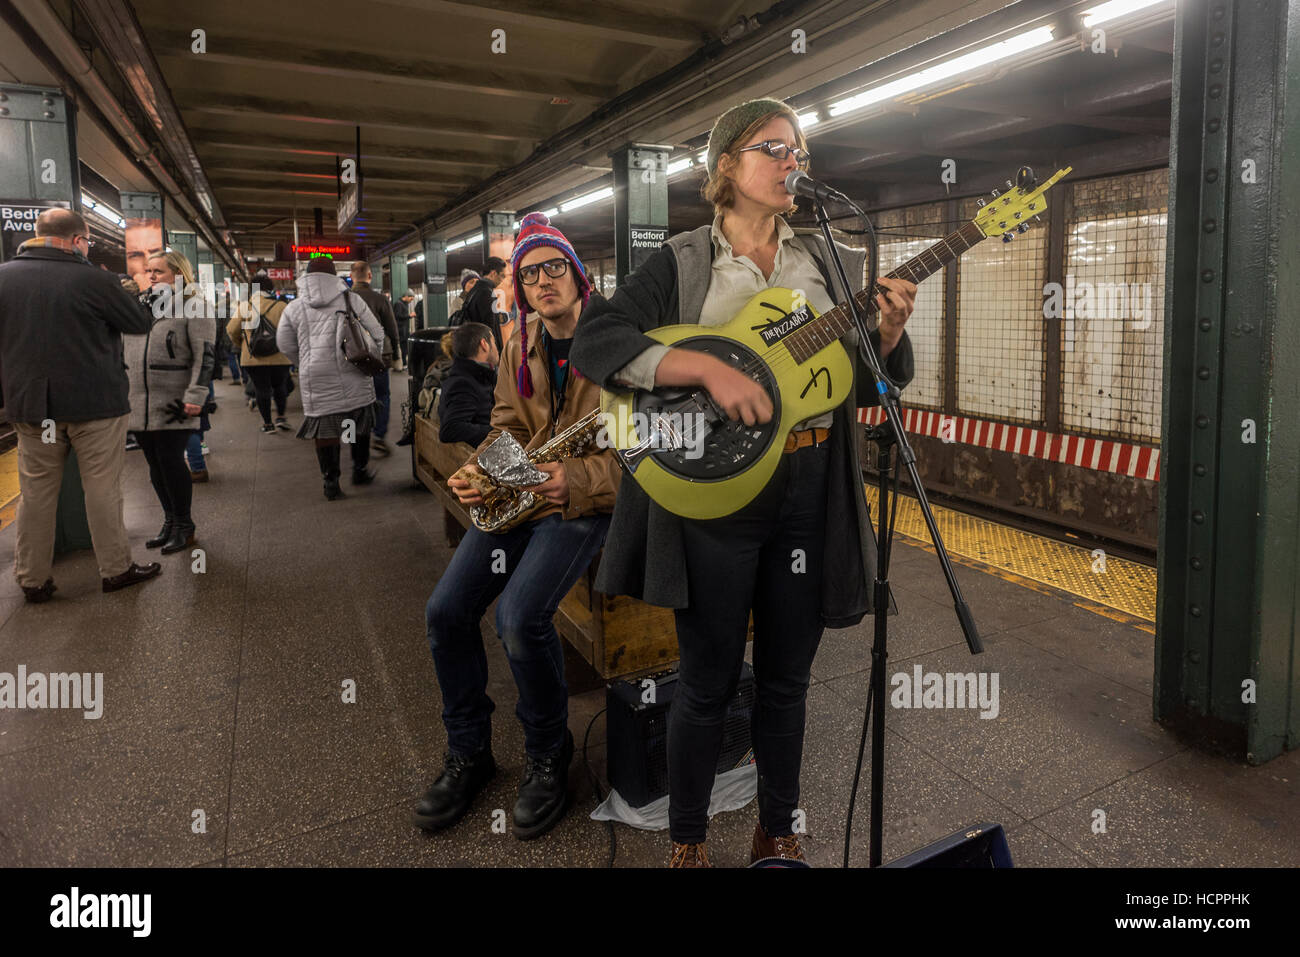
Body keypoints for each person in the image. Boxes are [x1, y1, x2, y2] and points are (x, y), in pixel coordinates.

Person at [571, 99, 918, 867]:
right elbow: (598, 341)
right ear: (726, 164)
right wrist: (702, 366)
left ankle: (777, 828)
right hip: (715, 492)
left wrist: (886, 339)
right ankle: (688, 839)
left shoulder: (828, 262)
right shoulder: (684, 261)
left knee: (788, 678)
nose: (795, 162)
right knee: (707, 679)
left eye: (801, 151)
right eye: (775, 148)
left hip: (808, 486)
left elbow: (855, 384)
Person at [417, 214, 619, 842]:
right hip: (522, 492)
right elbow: (503, 424)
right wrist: (478, 470)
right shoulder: (516, 343)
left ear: (577, 274)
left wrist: (573, 482)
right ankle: (470, 752)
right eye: (529, 274)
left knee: (519, 619)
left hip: (581, 503)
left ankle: (547, 752)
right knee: (444, 612)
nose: (542, 282)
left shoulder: (622, 343)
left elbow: (647, 449)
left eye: (553, 267)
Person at [0, 208, 161, 601]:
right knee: (102, 489)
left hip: (33, 407)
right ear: (77, 240)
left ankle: (32, 580)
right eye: (86, 242)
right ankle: (116, 570)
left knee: (35, 494)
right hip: (95, 404)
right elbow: (139, 323)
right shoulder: (96, 279)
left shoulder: (3, 277)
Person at [124, 251, 216, 554]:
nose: (151, 277)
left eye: (159, 272)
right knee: (153, 464)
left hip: (174, 400)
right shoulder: (138, 308)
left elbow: (205, 357)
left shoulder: (195, 307)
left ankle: (185, 525)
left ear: (178, 274)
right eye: (149, 271)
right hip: (138, 400)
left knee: (171, 461)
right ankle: (169, 520)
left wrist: (196, 396)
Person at [276, 256, 385, 500]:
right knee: (354, 422)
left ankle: (331, 482)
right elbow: (377, 332)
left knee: (326, 430)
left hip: (316, 377)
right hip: (354, 371)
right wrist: (370, 355)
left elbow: (284, 344)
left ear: (307, 276)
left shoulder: (294, 307)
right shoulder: (351, 299)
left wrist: (303, 360)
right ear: (334, 275)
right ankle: (358, 470)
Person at [227, 275, 293, 434]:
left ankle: (268, 424)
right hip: (280, 356)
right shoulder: (282, 306)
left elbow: (231, 330)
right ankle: (281, 417)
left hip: (253, 358)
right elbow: (292, 330)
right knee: (280, 387)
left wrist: (243, 345)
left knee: (261, 389)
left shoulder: (245, 306)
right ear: (270, 288)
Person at [349, 262, 401, 457]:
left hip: (352, 358)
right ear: (370, 276)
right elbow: (392, 329)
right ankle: (379, 436)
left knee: (352, 400)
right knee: (381, 396)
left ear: (351, 276)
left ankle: (352, 440)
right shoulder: (379, 298)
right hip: (379, 357)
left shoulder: (344, 299)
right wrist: (396, 353)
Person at [435, 322, 498, 447]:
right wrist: (497, 433)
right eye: (494, 342)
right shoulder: (464, 383)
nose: (497, 348)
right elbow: (450, 429)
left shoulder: (473, 376)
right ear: (484, 344)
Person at [461, 256, 508, 351]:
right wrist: (496, 351)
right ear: (493, 273)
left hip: (474, 347)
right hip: (484, 350)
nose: (502, 280)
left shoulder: (474, 291)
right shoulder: (486, 293)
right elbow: (490, 327)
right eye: (502, 276)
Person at [393, 292, 413, 366]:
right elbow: (397, 316)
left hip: (404, 329)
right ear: (406, 296)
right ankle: (402, 363)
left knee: (404, 347)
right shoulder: (398, 304)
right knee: (402, 347)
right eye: (411, 299)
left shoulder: (404, 304)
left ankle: (404, 362)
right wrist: (409, 315)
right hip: (400, 329)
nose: (411, 301)